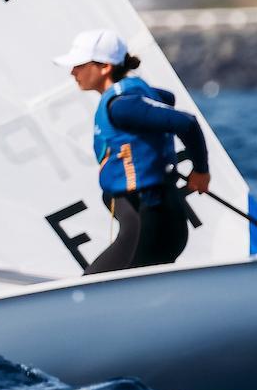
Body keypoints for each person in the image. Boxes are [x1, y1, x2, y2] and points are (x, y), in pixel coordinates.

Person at [53, 29, 210, 274]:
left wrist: (201, 171)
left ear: (104, 67)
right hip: (154, 215)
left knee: (90, 289)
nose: (73, 72)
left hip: (152, 219)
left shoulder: (122, 106)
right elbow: (167, 97)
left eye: (79, 65)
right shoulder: (128, 97)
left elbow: (186, 123)